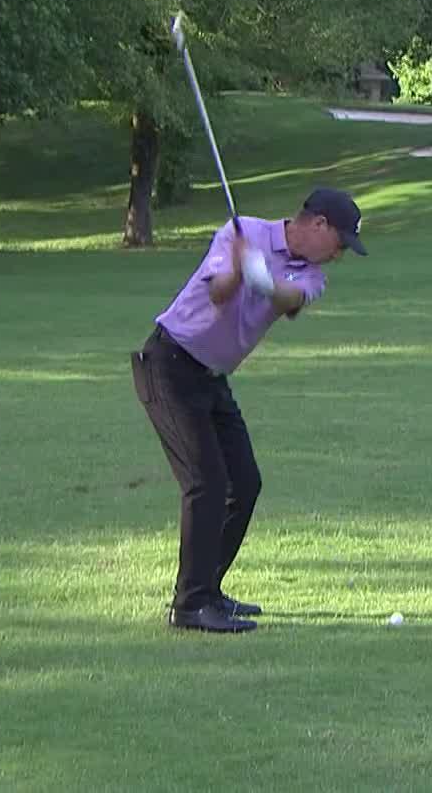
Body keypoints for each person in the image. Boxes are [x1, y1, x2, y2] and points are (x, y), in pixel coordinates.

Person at [131, 188, 366, 632]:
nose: (339, 255)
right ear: (318, 225)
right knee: (206, 484)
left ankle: (207, 589)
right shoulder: (241, 233)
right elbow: (219, 294)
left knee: (245, 483)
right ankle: (191, 605)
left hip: (212, 378)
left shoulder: (313, 276)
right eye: (340, 243)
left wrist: (260, 277)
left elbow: (288, 299)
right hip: (170, 365)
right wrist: (239, 269)